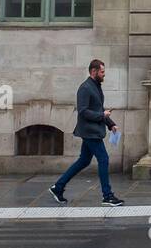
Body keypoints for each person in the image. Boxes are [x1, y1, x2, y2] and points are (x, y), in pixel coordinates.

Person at [50, 59, 124, 206]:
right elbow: (83, 112)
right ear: (93, 71)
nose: (104, 75)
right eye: (102, 72)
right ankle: (107, 195)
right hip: (90, 132)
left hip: (93, 130)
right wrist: (102, 116)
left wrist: (111, 124)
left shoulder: (95, 86)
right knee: (103, 159)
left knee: (84, 160)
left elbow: (99, 108)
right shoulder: (85, 88)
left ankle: (58, 187)